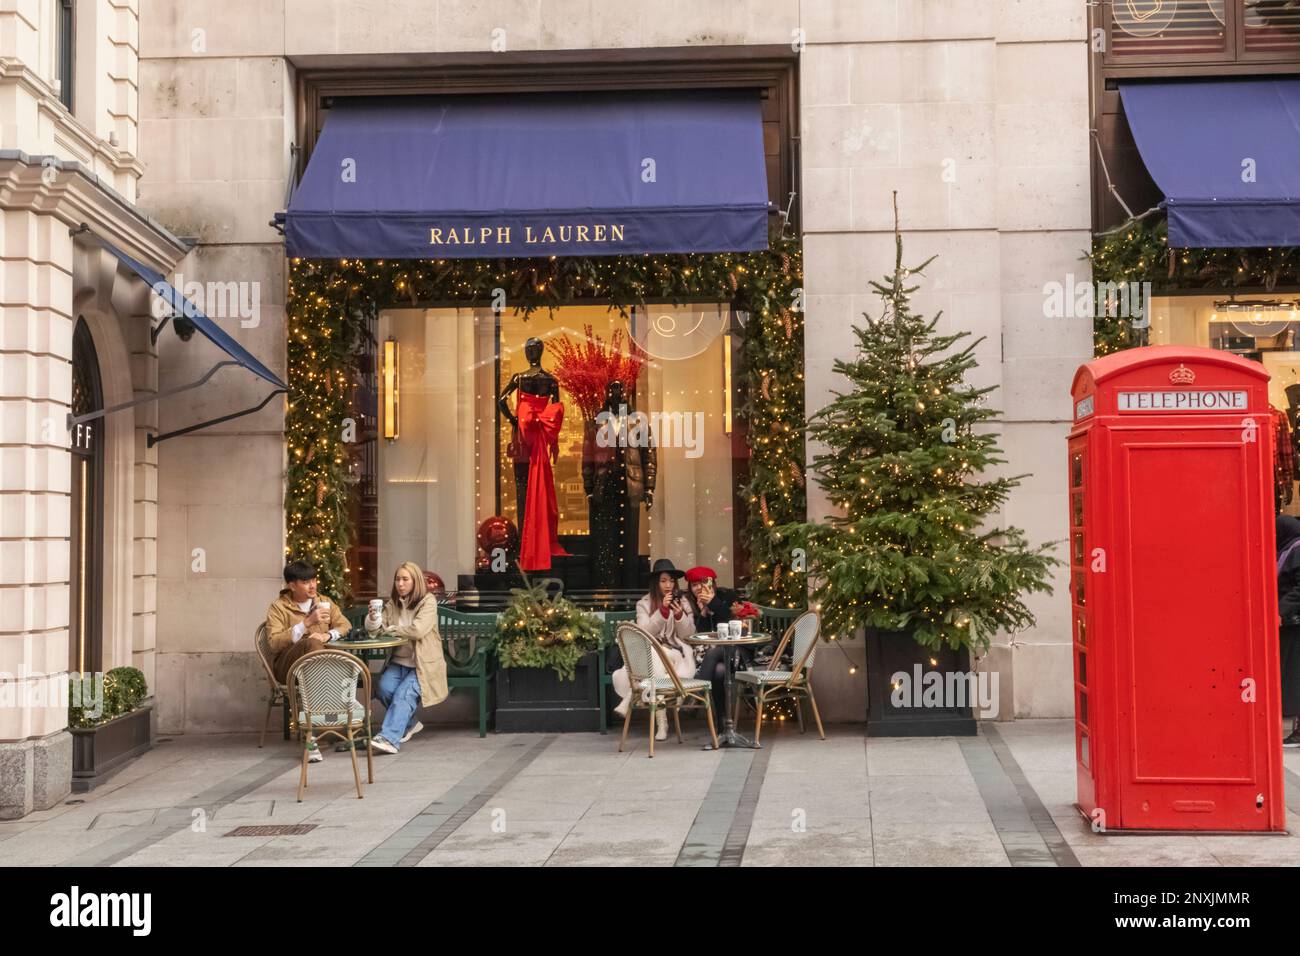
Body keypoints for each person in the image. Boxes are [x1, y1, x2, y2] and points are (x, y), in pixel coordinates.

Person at [265, 561, 351, 761]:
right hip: (286, 668)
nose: (313, 585)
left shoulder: (324, 601)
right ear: (292, 585)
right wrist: (306, 624)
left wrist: (328, 635)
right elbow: (274, 643)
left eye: (314, 579)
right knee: (311, 644)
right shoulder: (278, 608)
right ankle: (338, 727)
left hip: (317, 671)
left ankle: (312, 736)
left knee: (322, 649)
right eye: (305, 582)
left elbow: (344, 624)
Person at [366, 562, 449, 754]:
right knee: (384, 689)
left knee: (404, 695)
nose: (400, 584)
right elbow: (377, 630)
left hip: (422, 664)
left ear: (415, 581)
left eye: (405, 579)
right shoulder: (392, 604)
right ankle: (410, 724)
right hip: (398, 662)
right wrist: (373, 619)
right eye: (397, 579)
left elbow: (418, 630)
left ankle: (389, 738)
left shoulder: (427, 601)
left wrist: (393, 630)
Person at [612, 559, 696, 740]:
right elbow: (644, 633)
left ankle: (629, 697)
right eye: (664, 580)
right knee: (654, 654)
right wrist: (662, 611)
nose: (668, 585)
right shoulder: (643, 604)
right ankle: (662, 722)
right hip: (651, 655)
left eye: (672, 581)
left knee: (657, 654)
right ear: (655, 583)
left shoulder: (683, 602)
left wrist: (680, 614)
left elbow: (689, 634)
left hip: (674, 654)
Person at [683, 566, 747, 717]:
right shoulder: (692, 603)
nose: (698, 588)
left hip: (735, 650)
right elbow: (699, 635)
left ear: (712, 583)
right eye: (694, 585)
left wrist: (713, 603)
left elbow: (733, 621)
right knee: (718, 671)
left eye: (702, 583)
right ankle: (723, 724)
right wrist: (704, 613)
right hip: (711, 657)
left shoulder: (727, 596)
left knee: (714, 653)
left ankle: (695, 697)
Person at [1277, 516, 1300, 747]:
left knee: (1295, 674)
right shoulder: (1291, 548)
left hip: (1294, 622)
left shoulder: (1297, 549)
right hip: (1291, 621)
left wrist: (1279, 610)